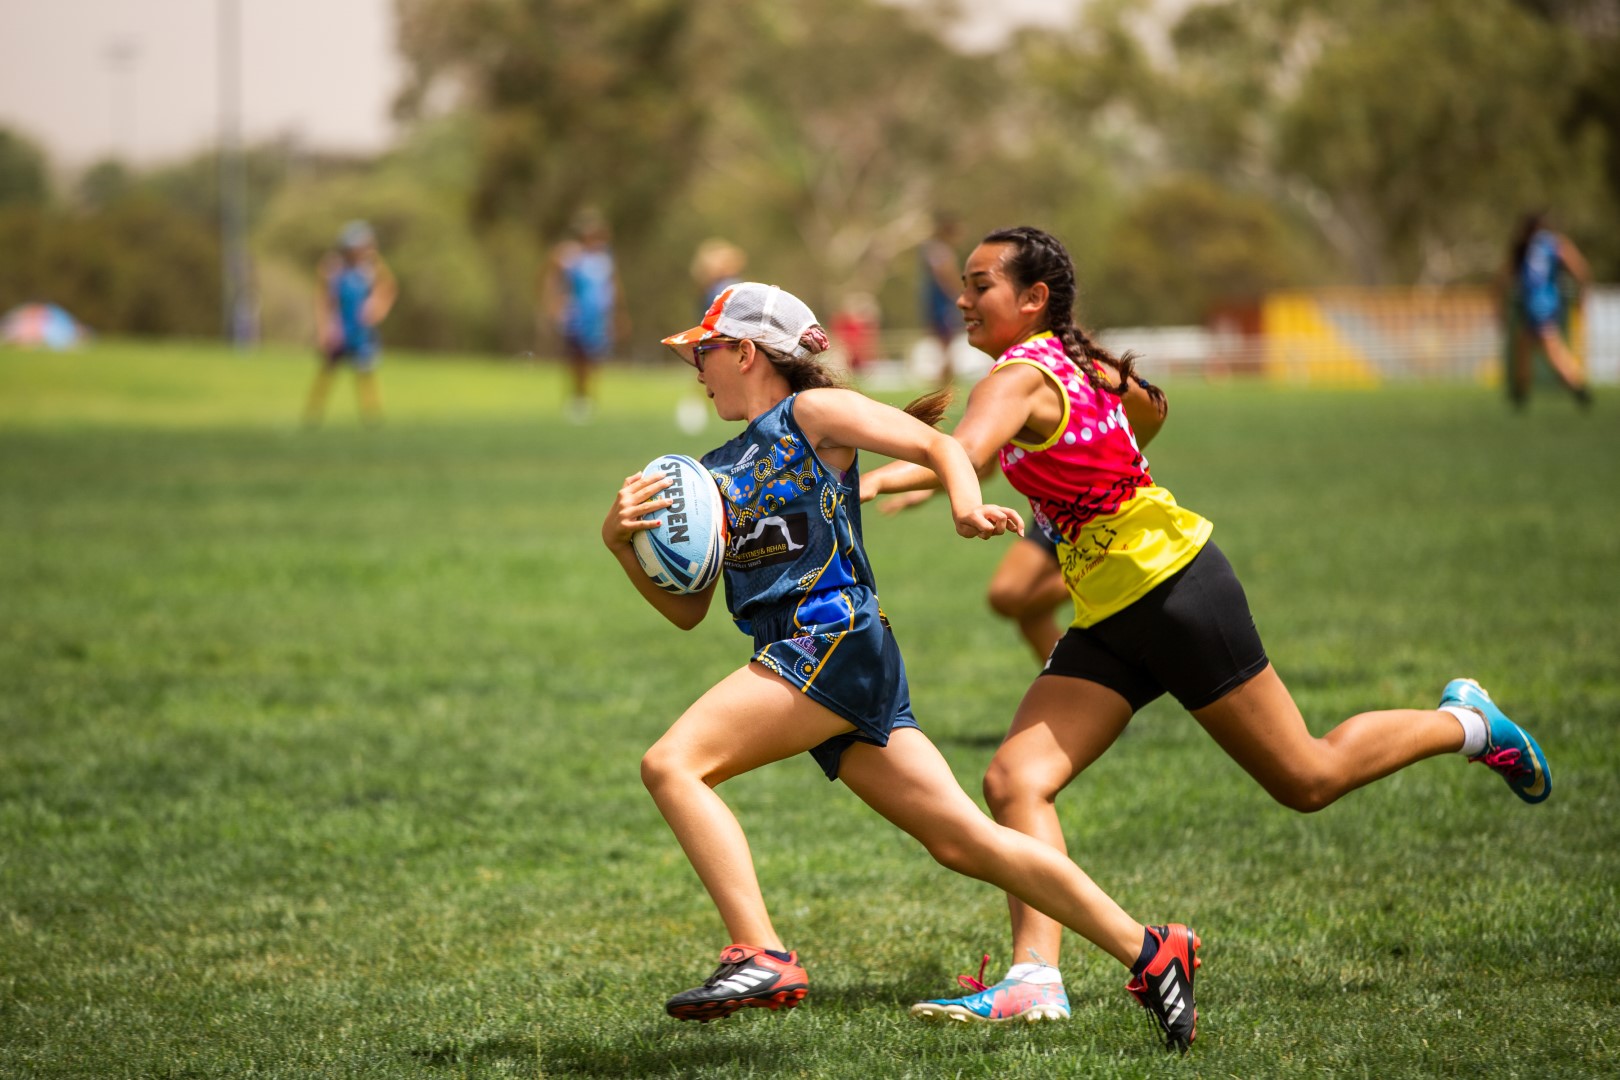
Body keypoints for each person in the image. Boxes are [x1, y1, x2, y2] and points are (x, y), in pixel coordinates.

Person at [860, 225, 1553, 1025]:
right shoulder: (1082, 365)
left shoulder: (1015, 376)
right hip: (1113, 614)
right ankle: (1033, 979)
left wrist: (901, 489)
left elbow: (970, 453)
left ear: (1032, 299)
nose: (963, 299)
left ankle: (1466, 722)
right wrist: (1073, 486)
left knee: (1308, 778)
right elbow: (1143, 418)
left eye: (980, 285)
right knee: (1016, 780)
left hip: (1177, 596)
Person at [602, 281, 1204, 1052]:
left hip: (828, 640)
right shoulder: (716, 468)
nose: (697, 366)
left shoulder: (811, 416)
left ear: (747, 351)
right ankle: (1153, 950)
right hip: (815, 655)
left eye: (705, 351)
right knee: (963, 841)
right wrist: (623, 545)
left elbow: (940, 445)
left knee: (673, 765)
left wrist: (961, 505)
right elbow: (688, 610)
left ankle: (761, 952)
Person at [879, 370, 1167, 664]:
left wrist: (873, 482)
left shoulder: (1049, 365)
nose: (967, 322)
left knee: (1017, 602)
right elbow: (980, 461)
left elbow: (1152, 409)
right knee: (1016, 604)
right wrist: (928, 491)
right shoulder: (1008, 378)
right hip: (1054, 514)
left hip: (1099, 510)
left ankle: (1116, 571)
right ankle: (1083, 681)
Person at [304, 220, 396, 427]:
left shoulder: (371, 268)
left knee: (365, 373)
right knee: (327, 371)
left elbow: (388, 288)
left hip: (362, 333)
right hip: (339, 330)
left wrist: (377, 308)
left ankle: (372, 418)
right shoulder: (334, 268)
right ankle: (313, 414)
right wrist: (324, 328)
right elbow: (323, 300)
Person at [543, 209, 627, 423]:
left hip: (598, 318)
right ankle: (576, 397)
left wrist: (618, 314)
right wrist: (554, 304)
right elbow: (552, 277)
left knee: (595, 357)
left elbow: (614, 287)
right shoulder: (572, 257)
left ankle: (588, 398)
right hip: (578, 316)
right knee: (575, 357)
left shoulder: (605, 260)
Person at [1503, 211, 1593, 409]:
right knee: (1525, 344)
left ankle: (1579, 389)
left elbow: (1506, 276)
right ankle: (1520, 394)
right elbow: (1580, 269)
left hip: (1538, 304)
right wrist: (1582, 292)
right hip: (1546, 303)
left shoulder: (1530, 246)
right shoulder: (1554, 244)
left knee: (1552, 350)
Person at [919, 212, 963, 386]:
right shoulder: (939, 251)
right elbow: (945, 276)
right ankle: (944, 379)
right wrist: (959, 293)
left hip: (939, 302)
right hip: (941, 303)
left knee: (947, 343)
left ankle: (946, 378)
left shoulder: (937, 249)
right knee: (945, 342)